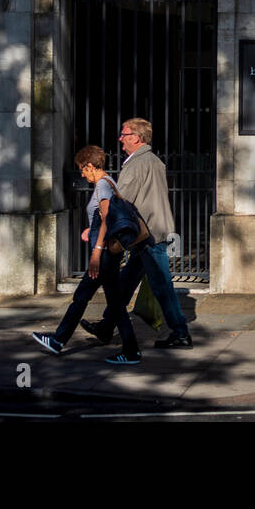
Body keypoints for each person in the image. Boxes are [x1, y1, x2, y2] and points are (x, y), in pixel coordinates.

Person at [30, 145, 151, 365]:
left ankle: (59, 340)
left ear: (90, 165)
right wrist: (91, 231)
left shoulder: (103, 186)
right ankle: (128, 350)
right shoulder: (110, 182)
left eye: (83, 170)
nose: (82, 174)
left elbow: (106, 219)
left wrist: (97, 251)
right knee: (106, 301)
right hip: (106, 254)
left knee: (84, 297)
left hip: (103, 256)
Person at [84, 118, 193, 349]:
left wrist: (98, 228)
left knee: (162, 284)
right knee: (125, 283)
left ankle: (181, 332)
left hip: (148, 235)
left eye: (124, 134)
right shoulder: (154, 161)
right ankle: (106, 326)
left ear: (136, 137)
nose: (120, 139)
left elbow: (121, 203)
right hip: (152, 231)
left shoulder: (135, 164)